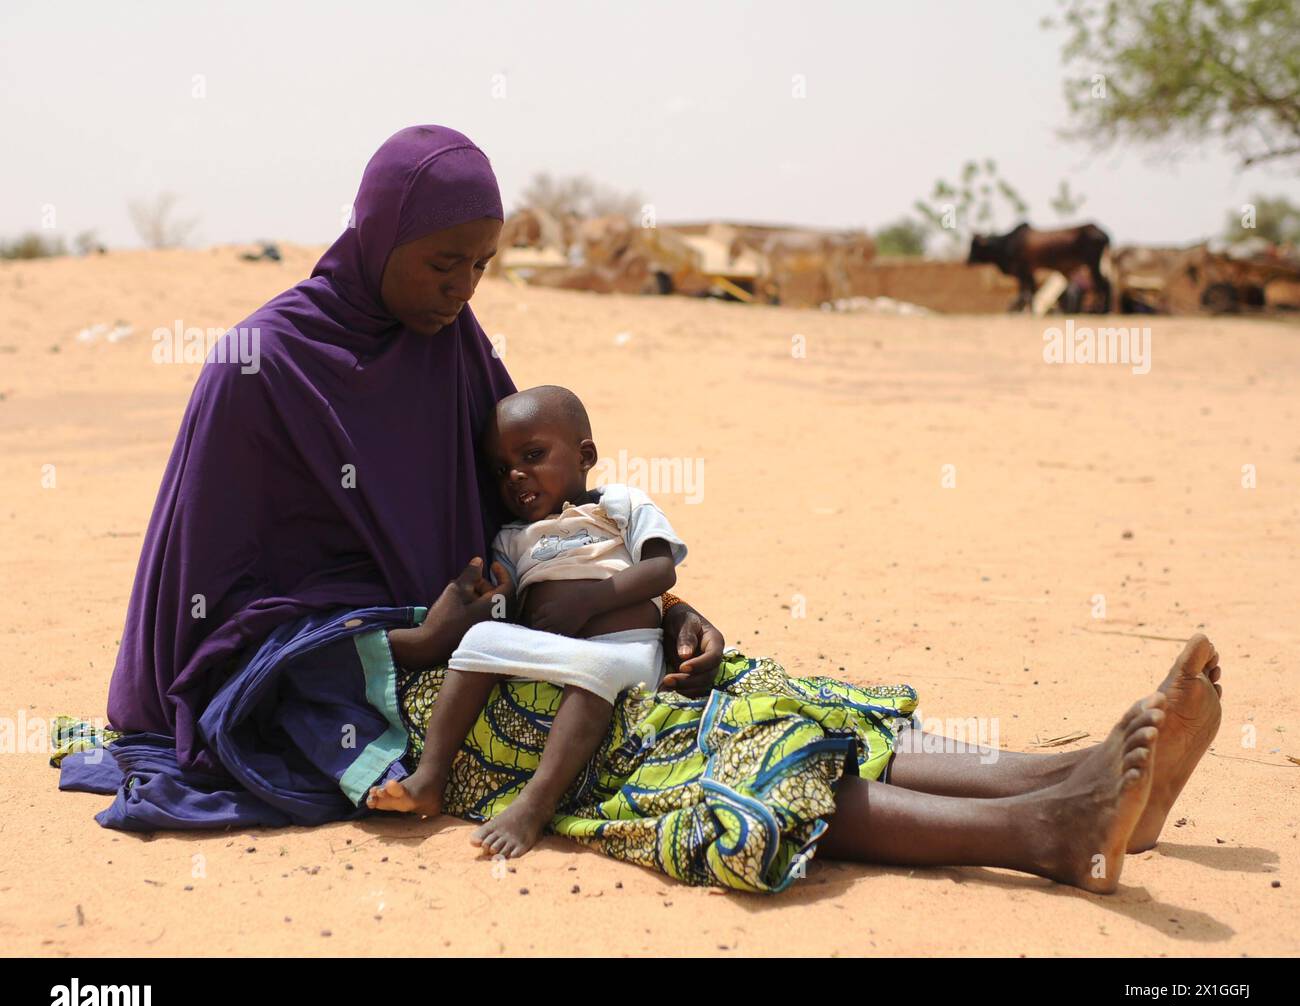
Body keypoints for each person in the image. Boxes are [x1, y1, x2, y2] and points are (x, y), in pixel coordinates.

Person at [55, 124, 1222, 896]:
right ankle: (1042, 831)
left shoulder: (448, 345)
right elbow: (211, 612)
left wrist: (657, 600)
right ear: (372, 239)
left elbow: (521, 511)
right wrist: (413, 636)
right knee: (672, 749)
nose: (462, 293)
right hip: (376, 688)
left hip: (517, 625)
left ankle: (1062, 777)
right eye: (440, 265)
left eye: (480, 267)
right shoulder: (265, 365)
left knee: (749, 688)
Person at [368, 385, 688, 859]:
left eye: (533, 455)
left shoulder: (618, 503)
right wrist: (484, 604)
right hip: (551, 649)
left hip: (624, 650)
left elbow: (661, 569)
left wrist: (589, 603)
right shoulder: (515, 536)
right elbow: (510, 604)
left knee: (593, 673)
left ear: (585, 455)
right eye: (501, 470)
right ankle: (430, 777)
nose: (515, 475)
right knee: (479, 640)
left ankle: (535, 806)